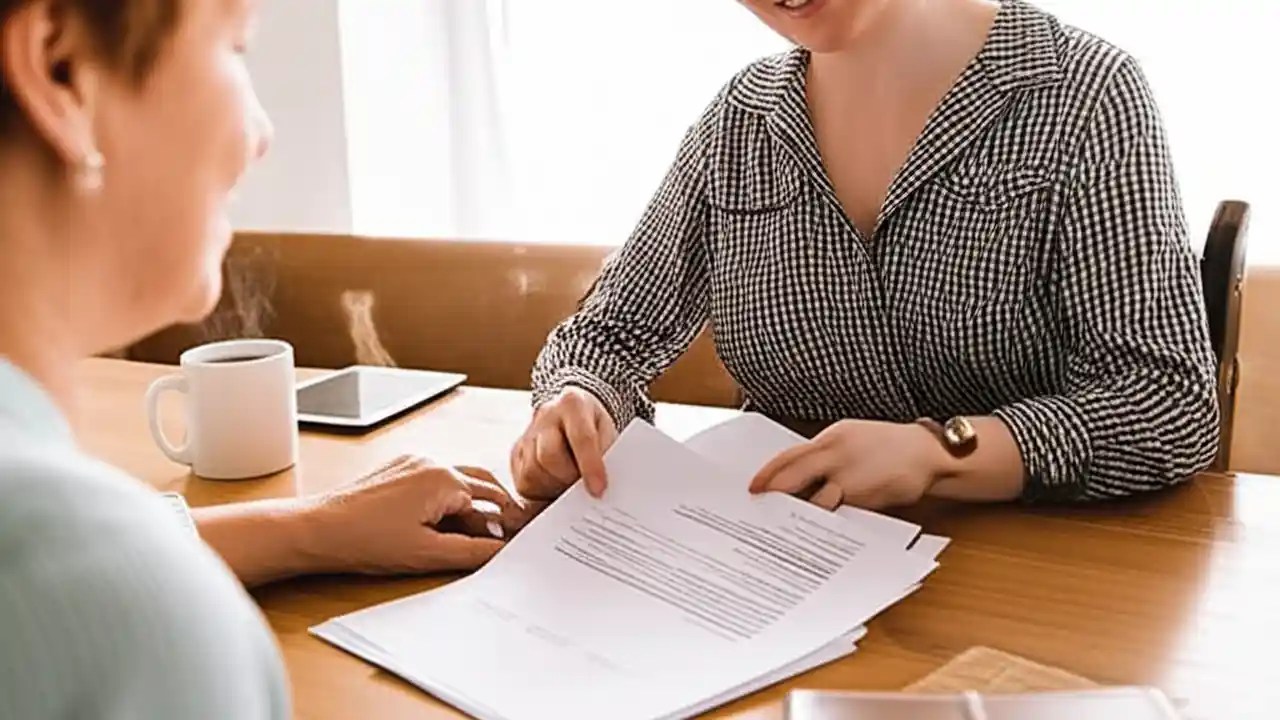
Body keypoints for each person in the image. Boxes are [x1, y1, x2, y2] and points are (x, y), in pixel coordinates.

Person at [0, 1, 513, 716]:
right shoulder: (135, 626)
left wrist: (314, 528)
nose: (263, 135)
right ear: (61, 71)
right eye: (235, 49)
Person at [513, 0, 1219, 510]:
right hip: (779, 579)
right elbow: (608, 337)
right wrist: (577, 401)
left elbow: (1168, 406)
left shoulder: (1085, 95)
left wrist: (942, 452)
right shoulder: (739, 122)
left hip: (1042, 577)